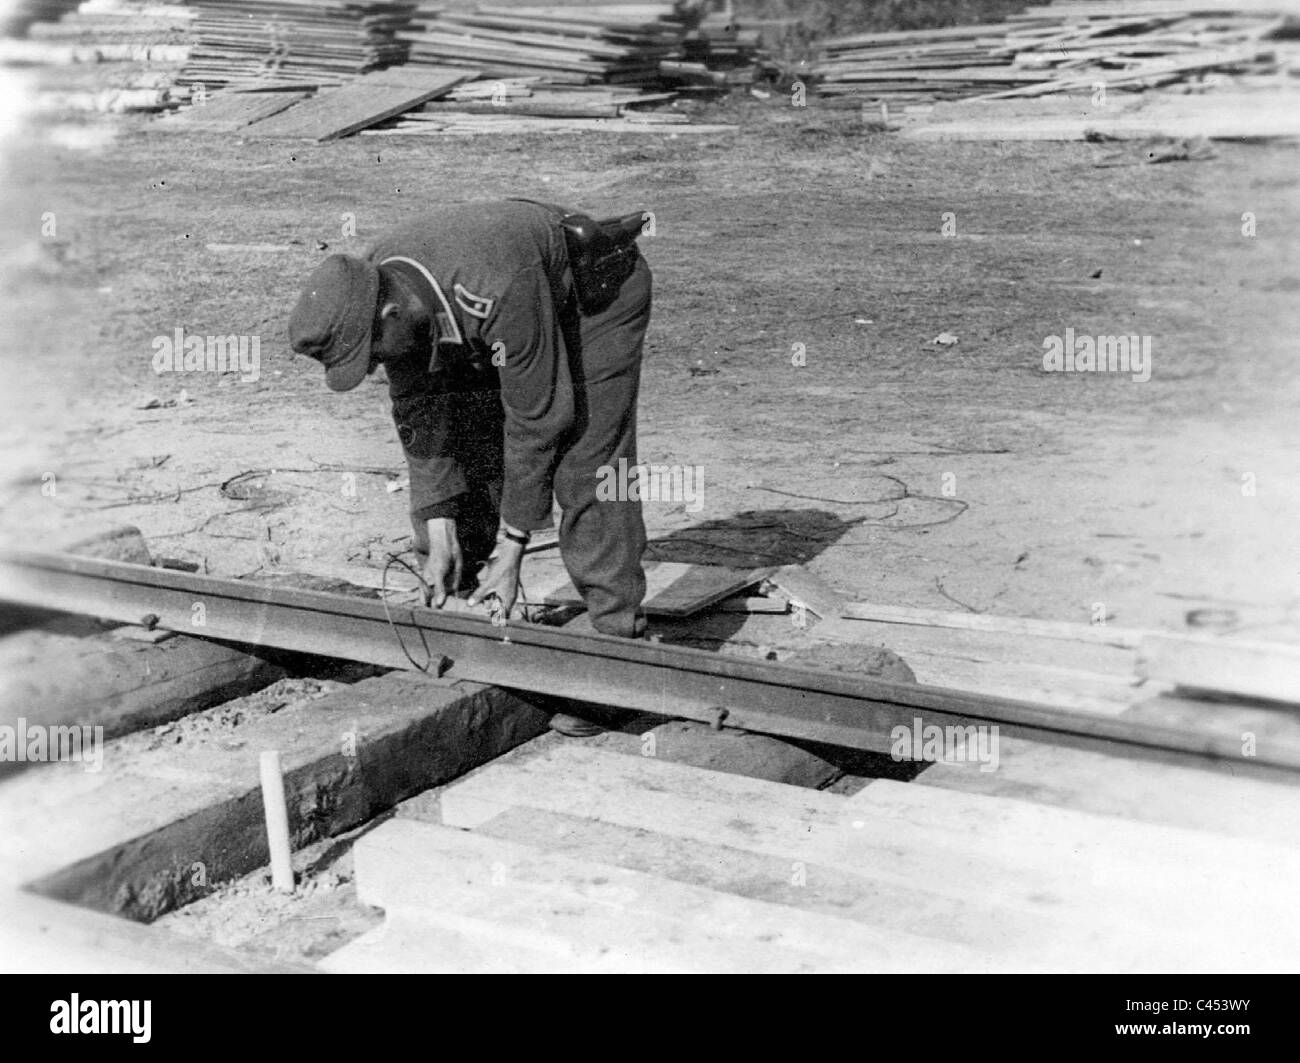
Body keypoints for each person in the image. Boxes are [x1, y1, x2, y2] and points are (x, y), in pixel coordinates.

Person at [288, 198, 652, 641]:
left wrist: (514, 546)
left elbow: (537, 419)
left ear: (392, 316)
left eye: (371, 357)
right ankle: (465, 599)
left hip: (593, 301)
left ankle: (616, 627)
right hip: (498, 313)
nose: (371, 370)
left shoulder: (492, 285)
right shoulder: (376, 290)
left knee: (587, 458)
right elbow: (420, 416)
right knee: (475, 437)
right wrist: (439, 530)